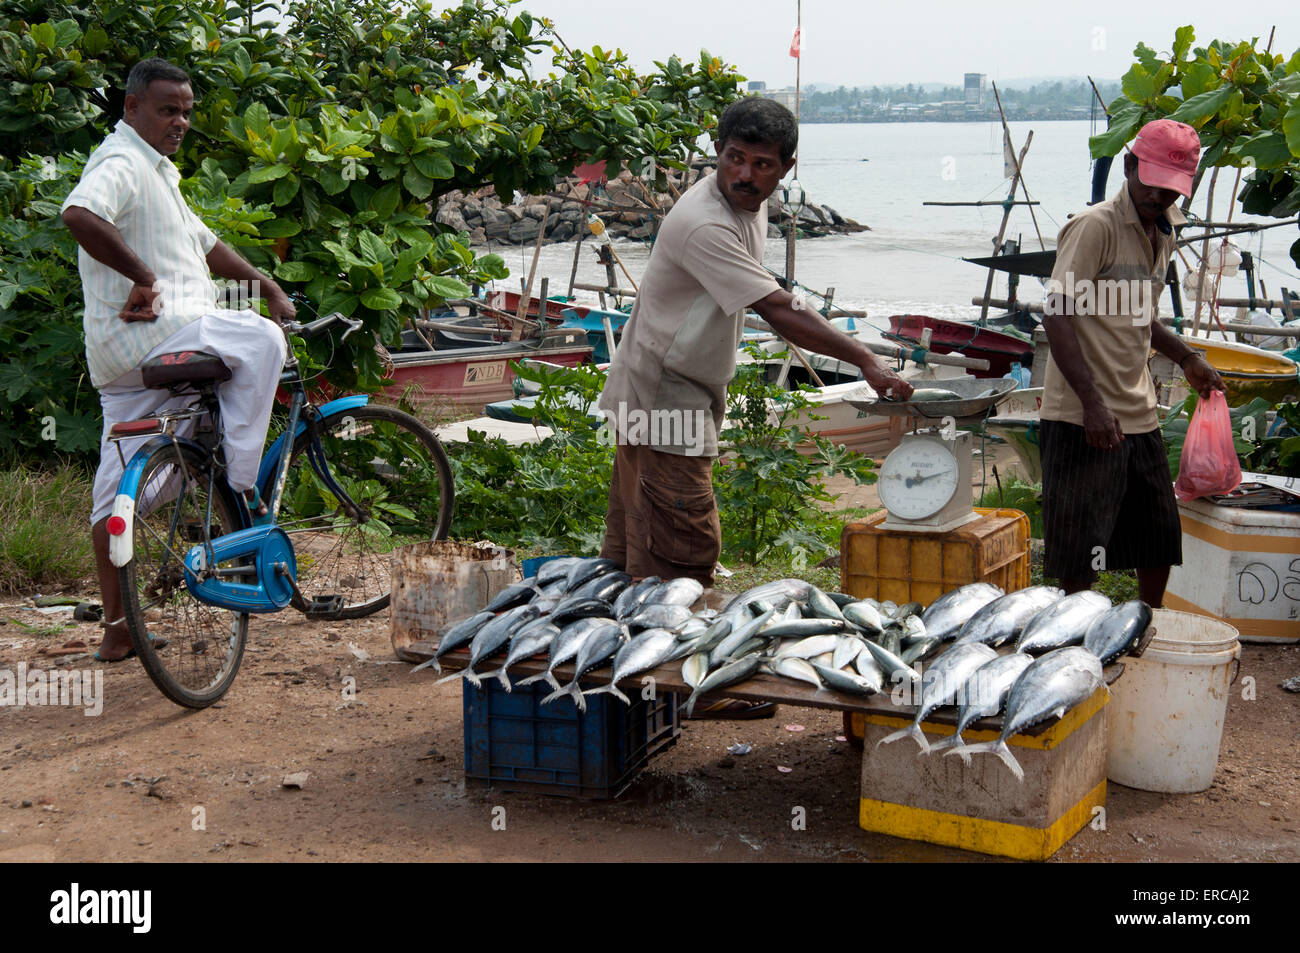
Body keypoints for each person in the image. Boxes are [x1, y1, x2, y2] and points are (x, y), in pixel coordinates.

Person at [597, 97, 912, 716]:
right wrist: (868, 361)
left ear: (785, 168)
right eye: (734, 159)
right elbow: (781, 309)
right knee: (686, 544)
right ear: (718, 154)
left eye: (761, 164)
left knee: (640, 537)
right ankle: (691, 688)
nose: (744, 174)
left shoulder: (748, 207)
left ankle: (636, 678)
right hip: (666, 394)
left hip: (661, 381)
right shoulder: (705, 222)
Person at [61, 58, 294, 661]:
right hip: (158, 337)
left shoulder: (157, 172)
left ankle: (117, 632)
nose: (181, 120)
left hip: (123, 363)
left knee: (115, 500)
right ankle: (238, 482)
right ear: (132, 108)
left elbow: (204, 242)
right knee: (263, 341)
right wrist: (141, 275)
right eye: (168, 109)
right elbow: (78, 215)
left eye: (187, 110)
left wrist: (262, 282)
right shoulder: (120, 162)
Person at [1040, 118, 1224, 607]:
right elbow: (1055, 314)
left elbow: (1141, 315)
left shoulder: (1163, 230)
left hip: (1137, 410)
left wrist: (1187, 357)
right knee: (1080, 546)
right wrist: (1093, 406)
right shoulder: (1095, 227)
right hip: (1082, 414)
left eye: (1171, 190)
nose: (1159, 197)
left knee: (1156, 531)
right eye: (1152, 184)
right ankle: (1073, 639)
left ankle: (1147, 621)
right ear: (1128, 166)